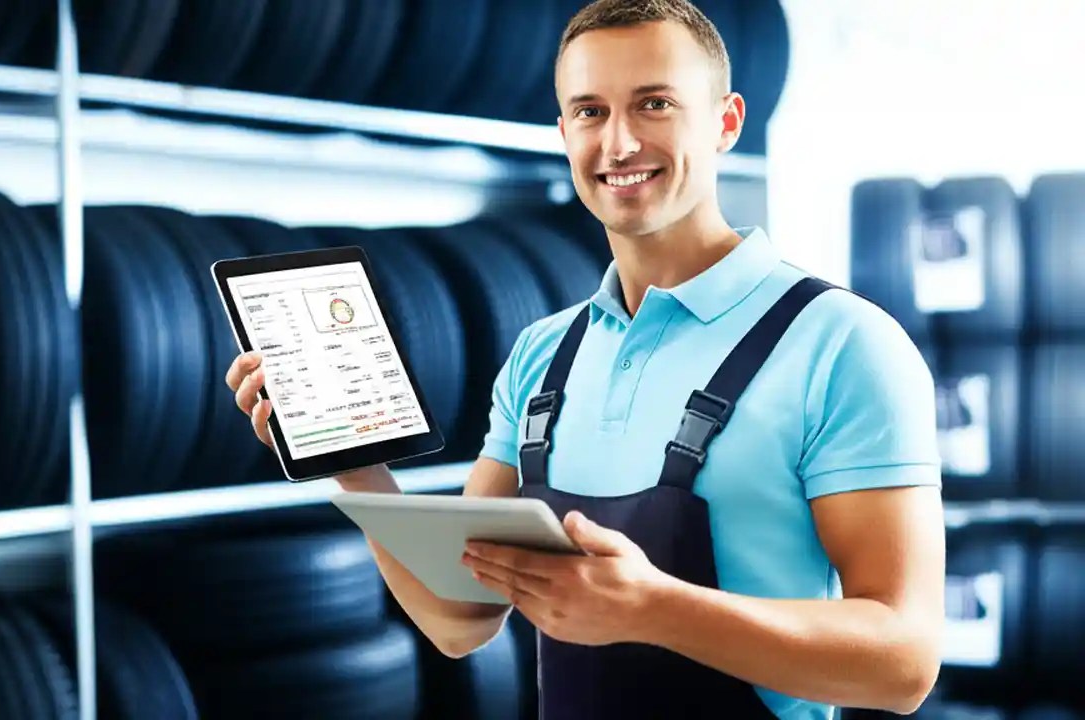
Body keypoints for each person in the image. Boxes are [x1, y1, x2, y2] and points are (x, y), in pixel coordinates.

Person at [225, 0, 945, 717]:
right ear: (565, 132)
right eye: (591, 112)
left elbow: (904, 661)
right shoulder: (545, 355)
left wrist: (655, 609)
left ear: (725, 122)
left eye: (655, 104)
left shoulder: (842, 345)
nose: (621, 143)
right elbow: (459, 619)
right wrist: (352, 464)